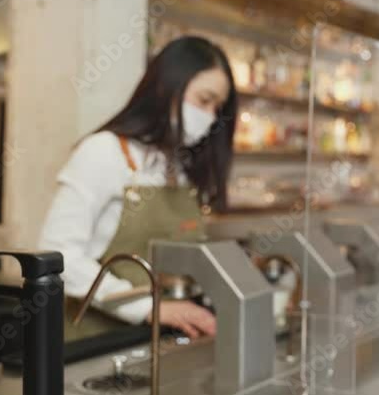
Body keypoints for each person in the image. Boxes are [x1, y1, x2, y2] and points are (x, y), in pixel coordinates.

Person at [39, 36, 237, 340]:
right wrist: (146, 307)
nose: (210, 117)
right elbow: (58, 254)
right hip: (96, 343)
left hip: (159, 340)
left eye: (217, 108)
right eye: (203, 100)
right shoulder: (103, 152)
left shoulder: (180, 169)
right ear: (166, 87)